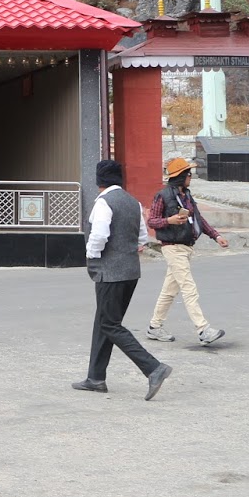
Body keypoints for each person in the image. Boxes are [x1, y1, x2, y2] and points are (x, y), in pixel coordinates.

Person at [76, 159, 172, 399]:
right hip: (131, 272)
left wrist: (91, 256)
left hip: (110, 272)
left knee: (110, 324)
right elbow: (142, 238)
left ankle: (153, 368)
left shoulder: (103, 203)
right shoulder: (133, 202)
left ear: (99, 181)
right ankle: (96, 377)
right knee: (105, 321)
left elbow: (98, 235)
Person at [145, 157, 228, 346]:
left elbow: (199, 219)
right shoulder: (163, 196)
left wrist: (216, 236)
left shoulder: (187, 197)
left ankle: (154, 327)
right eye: (189, 174)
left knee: (169, 290)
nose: (191, 177)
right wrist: (170, 220)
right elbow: (152, 221)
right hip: (172, 248)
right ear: (181, 176)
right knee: (188, 287)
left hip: (186, 247)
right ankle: (203, 329)